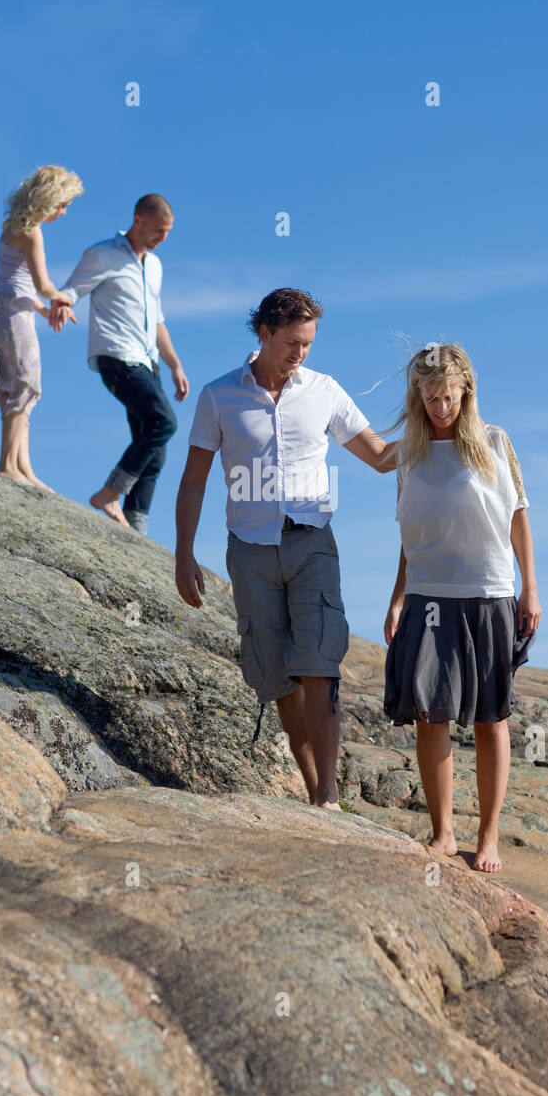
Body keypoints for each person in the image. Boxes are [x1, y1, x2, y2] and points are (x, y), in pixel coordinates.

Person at [175, 287, 399, 809]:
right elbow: (193, 482)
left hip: (312, 543)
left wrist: (440, 429)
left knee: (320, 665)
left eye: (309, 344)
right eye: (293, 342)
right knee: (278, 680)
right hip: (249, 550)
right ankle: (311, 786)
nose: (301, 353)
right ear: (265, 333)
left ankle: (329, 797)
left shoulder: (324, 391)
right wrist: (184, 553)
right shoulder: (218, 396)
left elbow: (382, 456)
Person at [382, 342, 541, 873]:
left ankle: (489, 836)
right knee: (432, 713)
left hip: (490, 590)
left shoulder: (495, 442)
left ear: (464, 390)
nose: (440, 407)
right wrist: (398, 596)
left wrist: (530, 588)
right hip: (429, 594)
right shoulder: (410, 452)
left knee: (491, 718)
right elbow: (409, 535)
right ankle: (444, 832)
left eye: (448, 396)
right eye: (430, 398)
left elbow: (519, 516)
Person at [48, 194, 187, 536]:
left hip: (147, 361)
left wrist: (175, 365)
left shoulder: (154, 266)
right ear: (138, 220)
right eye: (158, 230)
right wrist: (63, 304)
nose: (163, 238)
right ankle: (110, 494)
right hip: (116, 357)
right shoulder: (102, 254)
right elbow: (70, 289)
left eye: (168, 232)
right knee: (163, 422)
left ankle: (135, 524)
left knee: (155, 450)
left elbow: (156, 322)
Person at [0, 165, 83, 488]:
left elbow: (16, 283)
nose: (64, 212)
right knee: (25, 382)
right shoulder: (32, 231)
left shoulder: (12, 226)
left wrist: (43, 309)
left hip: (3, 310)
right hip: (13, 316)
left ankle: (22, 464)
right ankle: (8, 464)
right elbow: (44, 284)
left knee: (18, 383)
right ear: (47, 199)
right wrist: (64, 299)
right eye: (62, 204)